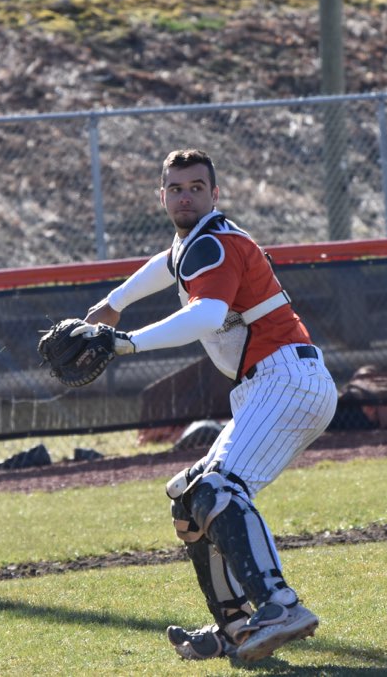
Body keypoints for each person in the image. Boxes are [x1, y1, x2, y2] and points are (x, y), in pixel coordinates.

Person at [78, 148, 337, 661]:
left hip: (284, 379)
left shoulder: (213, 245)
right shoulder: (195, 243)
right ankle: (237, 625)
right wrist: (115, 300)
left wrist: (125, 341)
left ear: (214, 195)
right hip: (274, 382)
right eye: (176, 188)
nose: (185, 195)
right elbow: (167, 263)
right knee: (190, 498)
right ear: (162, 196)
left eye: (196, 187)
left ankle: (279, 604)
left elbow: (204, 316)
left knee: (219, 488)